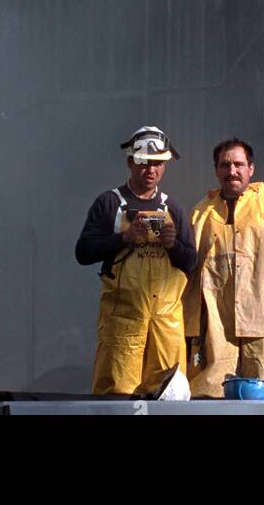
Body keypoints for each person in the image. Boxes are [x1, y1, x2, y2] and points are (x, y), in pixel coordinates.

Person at [75, 125, 197, 396]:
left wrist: (172, 244)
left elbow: (190, 262)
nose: (150, 170)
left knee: (170, 396)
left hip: (166, 324)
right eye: (143, 162)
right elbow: (83, 252)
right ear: (130, 162)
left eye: (157, 164)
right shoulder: (108, 203)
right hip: (123, 321)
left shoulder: (173, 208)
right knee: (118, 395)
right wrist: (124, 237)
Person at [184, 137, 264, 399]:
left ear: (251, 168)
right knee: (209, 396)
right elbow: (187, 277)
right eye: (225, 165)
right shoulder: (200, 214)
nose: (232, 171)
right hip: (214, 329)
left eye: (239, 164)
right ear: (216, 170)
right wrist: (188, 328)